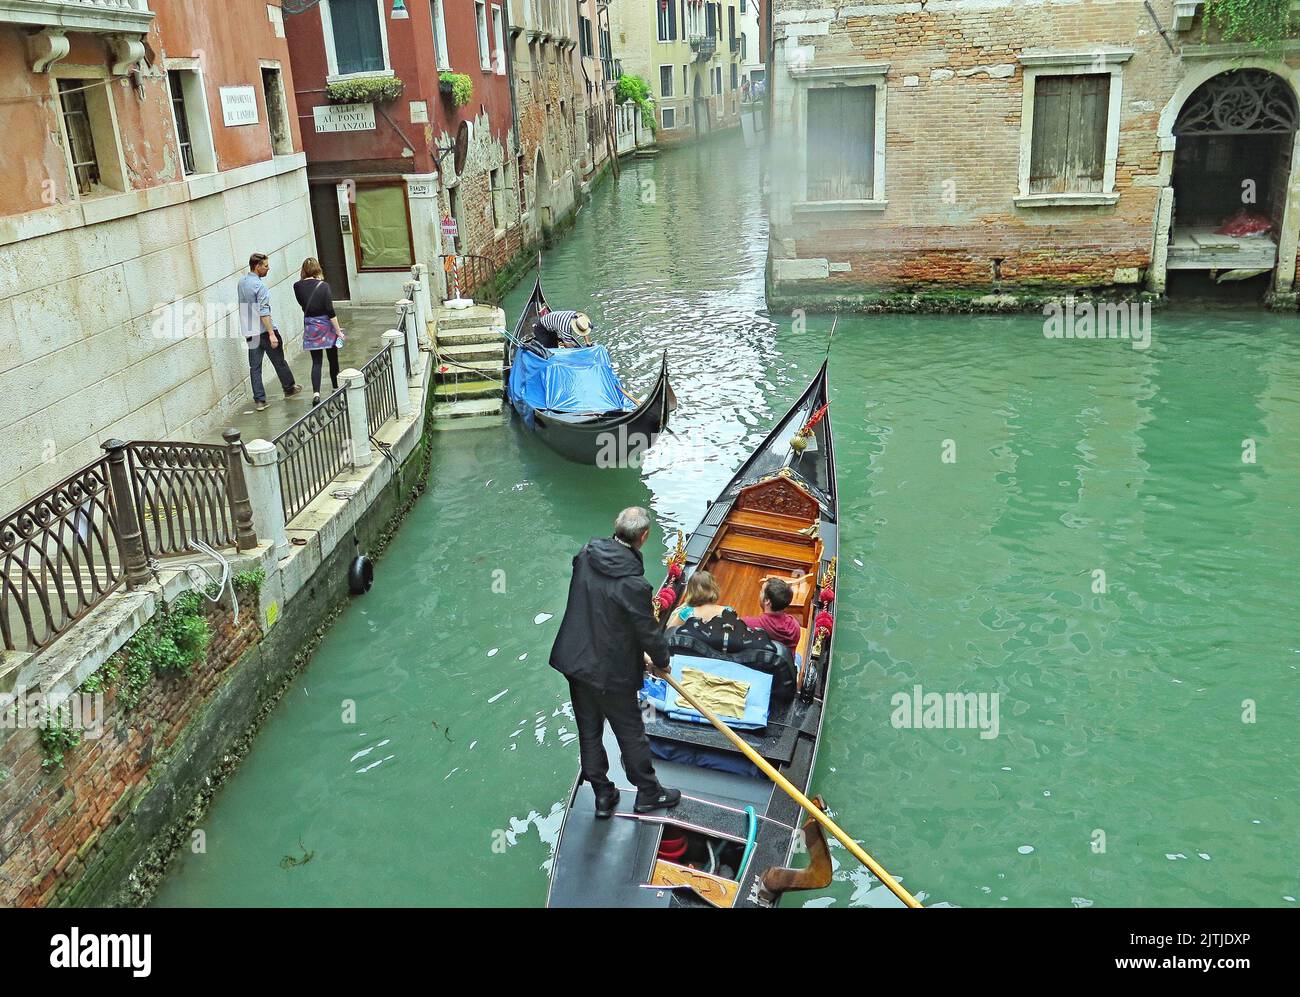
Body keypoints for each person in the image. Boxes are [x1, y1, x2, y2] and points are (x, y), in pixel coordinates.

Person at [550, 507, 681, 819]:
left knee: (589, 730)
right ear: (644, 537)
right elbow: (647, 631)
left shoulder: (584, 555)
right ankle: (649, 793)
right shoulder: (635, 586)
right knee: (630, 732)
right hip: (611, 674)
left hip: (576, 663)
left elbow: (599, 608)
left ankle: (603, 795)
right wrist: (662, 661)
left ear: (615, 527)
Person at [237, 252, 301, 412]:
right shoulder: (260, 286)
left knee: (255, 367)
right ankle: (289, 388)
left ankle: (259, 401)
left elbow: (244, 308)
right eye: (265, 266)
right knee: (279, 361)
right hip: (264, 331)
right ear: (257, 266)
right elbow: (264, 311)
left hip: (250, 331)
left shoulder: (242, 282)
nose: (268, 269)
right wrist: (271, 333)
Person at [294, 258, 345, 406]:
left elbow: (303, 305)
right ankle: (335, 387)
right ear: (318, 269)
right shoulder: (323, 286)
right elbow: (330, 311)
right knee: (332, 359)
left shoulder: (297, 286)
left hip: (311, 326)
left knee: (316, 362)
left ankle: (316, 393)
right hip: (326, 326)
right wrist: (338, 331)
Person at [743, 577, 802, 654]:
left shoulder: (747, 624)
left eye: (761, 591)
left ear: (767, 601)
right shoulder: (795, 625)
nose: (760, 592)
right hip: (786, 663)